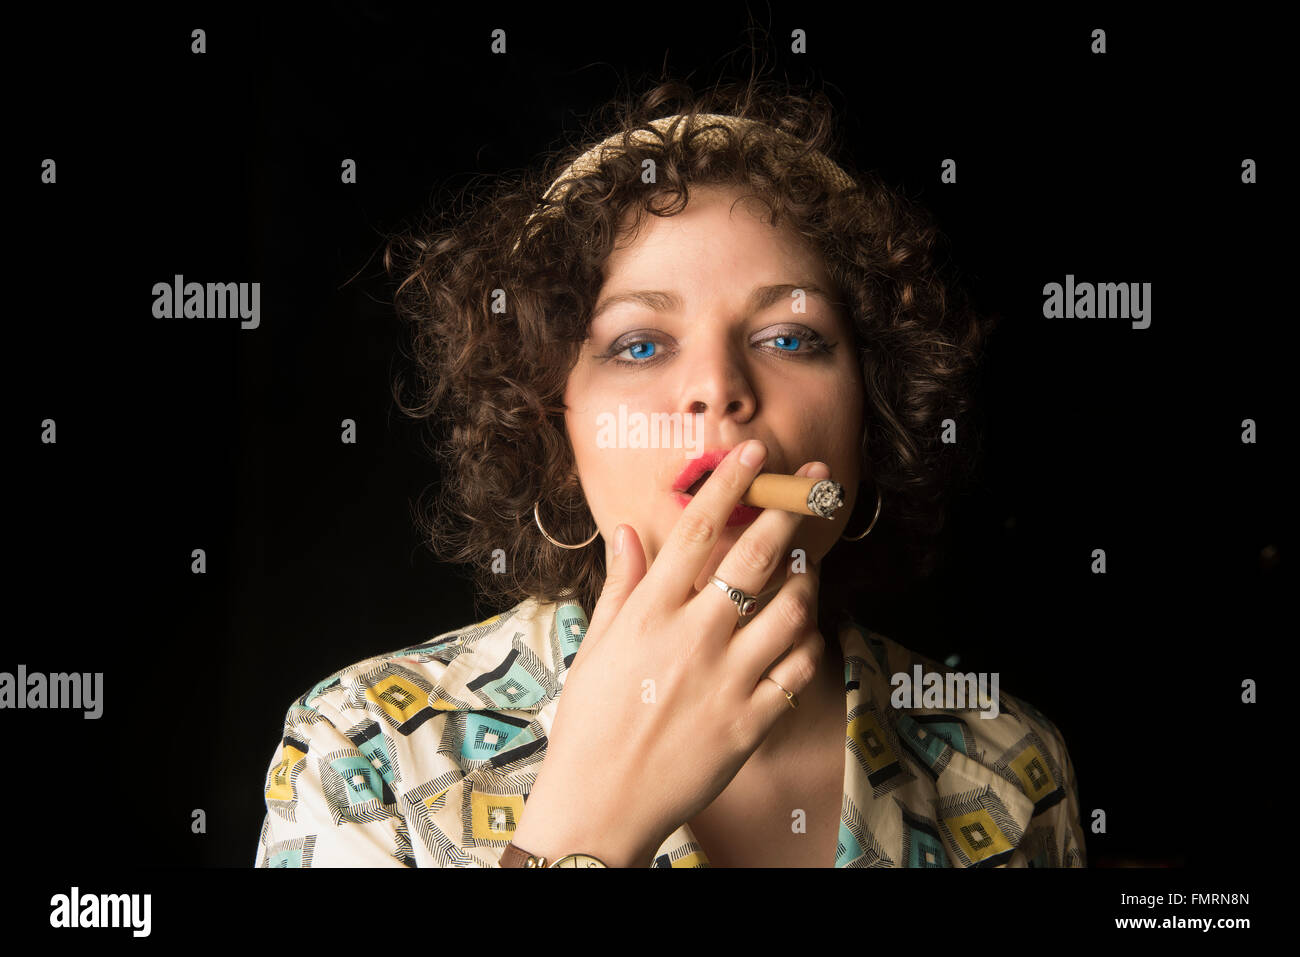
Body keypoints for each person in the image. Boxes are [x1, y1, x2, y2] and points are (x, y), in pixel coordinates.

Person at [254, 74, 1086, 868]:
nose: (718, 388)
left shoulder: (1008, 760)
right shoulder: (363, 749)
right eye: (639, 345)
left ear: (872, 410)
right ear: (553, 426)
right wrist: (590, 826)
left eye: (790, 337)